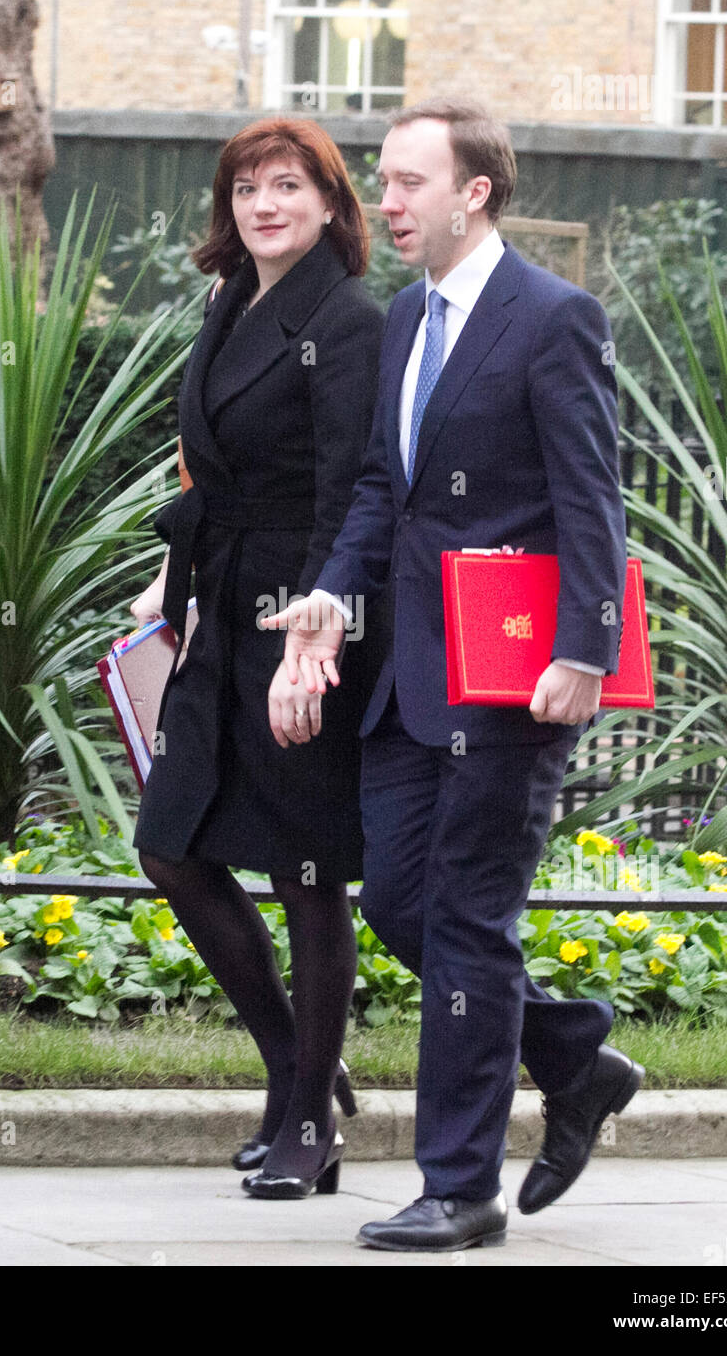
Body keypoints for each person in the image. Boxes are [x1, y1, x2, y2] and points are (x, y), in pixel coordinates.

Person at [261, 98, 644, 1249]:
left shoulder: (552, 317)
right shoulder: (407, 322)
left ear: (474, 192)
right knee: (404, 902)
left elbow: (594, 498)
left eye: (408, 182)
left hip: (515, 677)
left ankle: (460, 1185)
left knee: (470, 921)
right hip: (406, 676)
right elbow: (383, 486)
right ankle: (573, 1056)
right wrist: (331, 597)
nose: (386, 201)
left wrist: (587, 647)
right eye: (383, 181)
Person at [128, 117, 385, 1198]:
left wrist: (315, 638)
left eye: (288, 185)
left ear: (331, 203)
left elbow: (350, 492)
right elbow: (212, 465)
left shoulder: (349, 320)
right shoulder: (229, 301)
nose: (264, 204)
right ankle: (297, 1073)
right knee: (172, 844)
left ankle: (310, 1128)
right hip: (220, 602)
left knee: (307, 871)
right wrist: (169, 582)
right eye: (246, 188)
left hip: (304, 618)